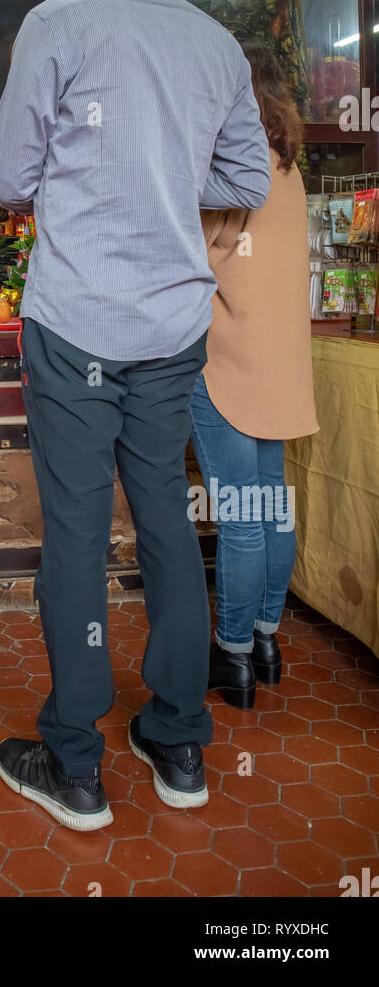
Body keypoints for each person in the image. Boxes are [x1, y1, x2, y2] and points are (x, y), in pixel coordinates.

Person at [0, 0, 271, 831]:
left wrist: (106, 167)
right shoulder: (214, 41)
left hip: (75, 322)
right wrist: (162, 172)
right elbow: (246, 176)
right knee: (164, 524)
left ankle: (73, 761)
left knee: (75, 530)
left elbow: (9, 176)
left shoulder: (54, 28)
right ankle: (180, 740)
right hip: (170, 327)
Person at [190, 40, 318, 709]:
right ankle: (266, 639)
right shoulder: (289, 164)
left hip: (228, 359)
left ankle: (233, 654)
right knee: (270, 505)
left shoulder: (236, 164)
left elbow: (195, 257)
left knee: (239, 516)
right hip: (279, 364)